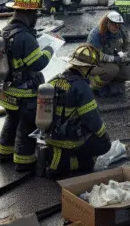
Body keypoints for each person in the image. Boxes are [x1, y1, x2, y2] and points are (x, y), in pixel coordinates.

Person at [0, 0, 52, 171]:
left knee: (11, 121)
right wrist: (49, 50)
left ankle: (4, 153)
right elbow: (38, 64)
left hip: (6, 91)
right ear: (29, 14)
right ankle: (23, 162)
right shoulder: (25, 37)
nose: (36, 18)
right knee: (26, 126)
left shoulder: (4, 32)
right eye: (36, 14)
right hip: (25, 93)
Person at [44, 44, 112, 178]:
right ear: (86, 68)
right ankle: (70, 162)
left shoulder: (54, 80)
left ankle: (58, 156)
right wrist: (103, 135)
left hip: (49, 136)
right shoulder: (81, 86)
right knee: (103, 144)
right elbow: (92, 119)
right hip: (70, 139)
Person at [86, 10, 130, 94]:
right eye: (114, 24)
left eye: (118, 24)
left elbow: (128, 44)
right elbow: (97, 55)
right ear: (107, 22)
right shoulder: (96, 34)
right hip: (95, 62)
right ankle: (94, 84)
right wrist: (114, 59)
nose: (116, 27)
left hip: (113, 58)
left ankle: (111, 81)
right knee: (113, 69)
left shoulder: (121, 30)